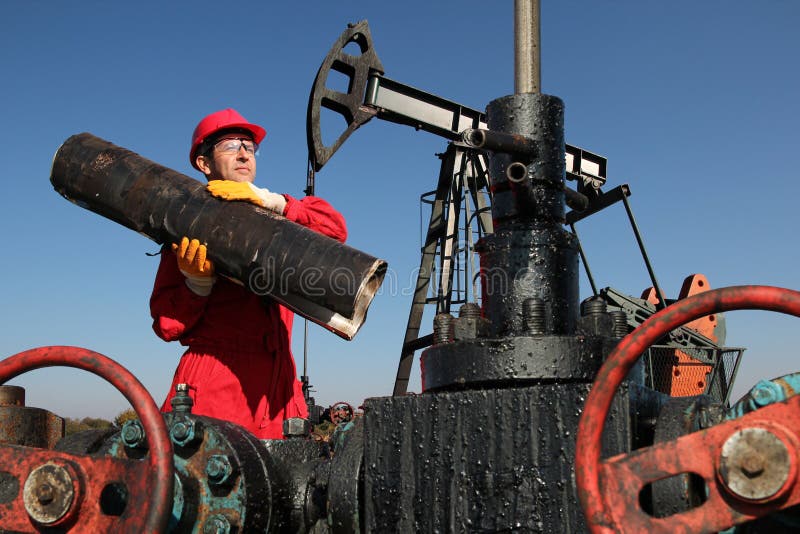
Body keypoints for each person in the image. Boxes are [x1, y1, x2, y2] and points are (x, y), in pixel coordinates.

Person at [150, 108, 347, 439]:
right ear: (204, 163)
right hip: (216, 387)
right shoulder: (187, 226)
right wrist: (197, 284)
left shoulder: (278, 217)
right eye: (230, 145)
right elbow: (167, 326)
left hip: (279, 391)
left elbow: (336, 231)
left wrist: (272, 201)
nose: (244, 154)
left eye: (249, 147)